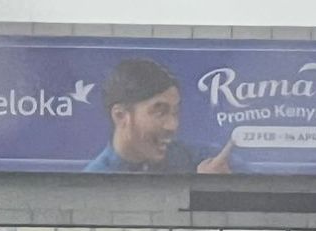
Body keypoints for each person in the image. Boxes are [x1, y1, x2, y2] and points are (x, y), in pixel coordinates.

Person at [82, 57, 236, 174]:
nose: (172, 125)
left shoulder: (200, 158)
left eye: (175, 112)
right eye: (160, 112)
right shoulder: (93, 180)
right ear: (120, 116)